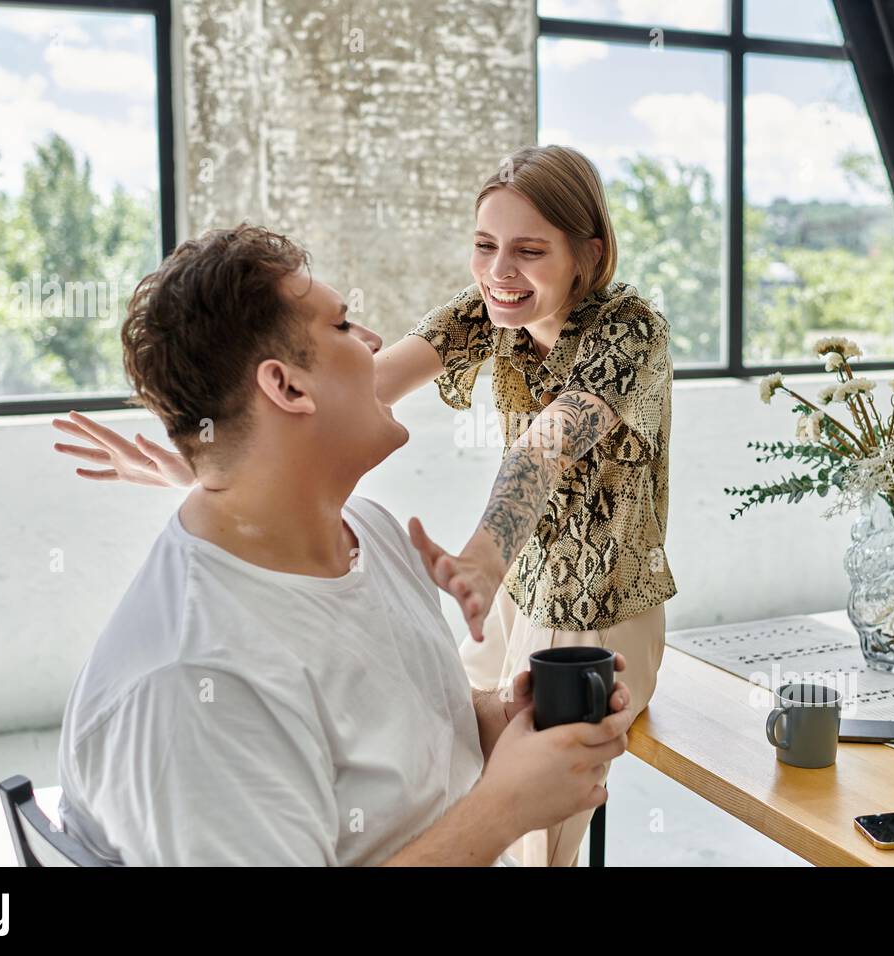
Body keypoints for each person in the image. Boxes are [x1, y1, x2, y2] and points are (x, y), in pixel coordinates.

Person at [54, 145, 675, 868]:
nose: (499, 271)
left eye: (529, 250)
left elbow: (545, 443)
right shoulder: (194, 687)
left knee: (544, 807)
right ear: (287, 389)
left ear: (586, 254)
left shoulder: (373, 537)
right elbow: (354, 392)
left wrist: (493, 702)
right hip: (513, 576)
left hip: (593, 590)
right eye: (347, 324)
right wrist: (210, 454)